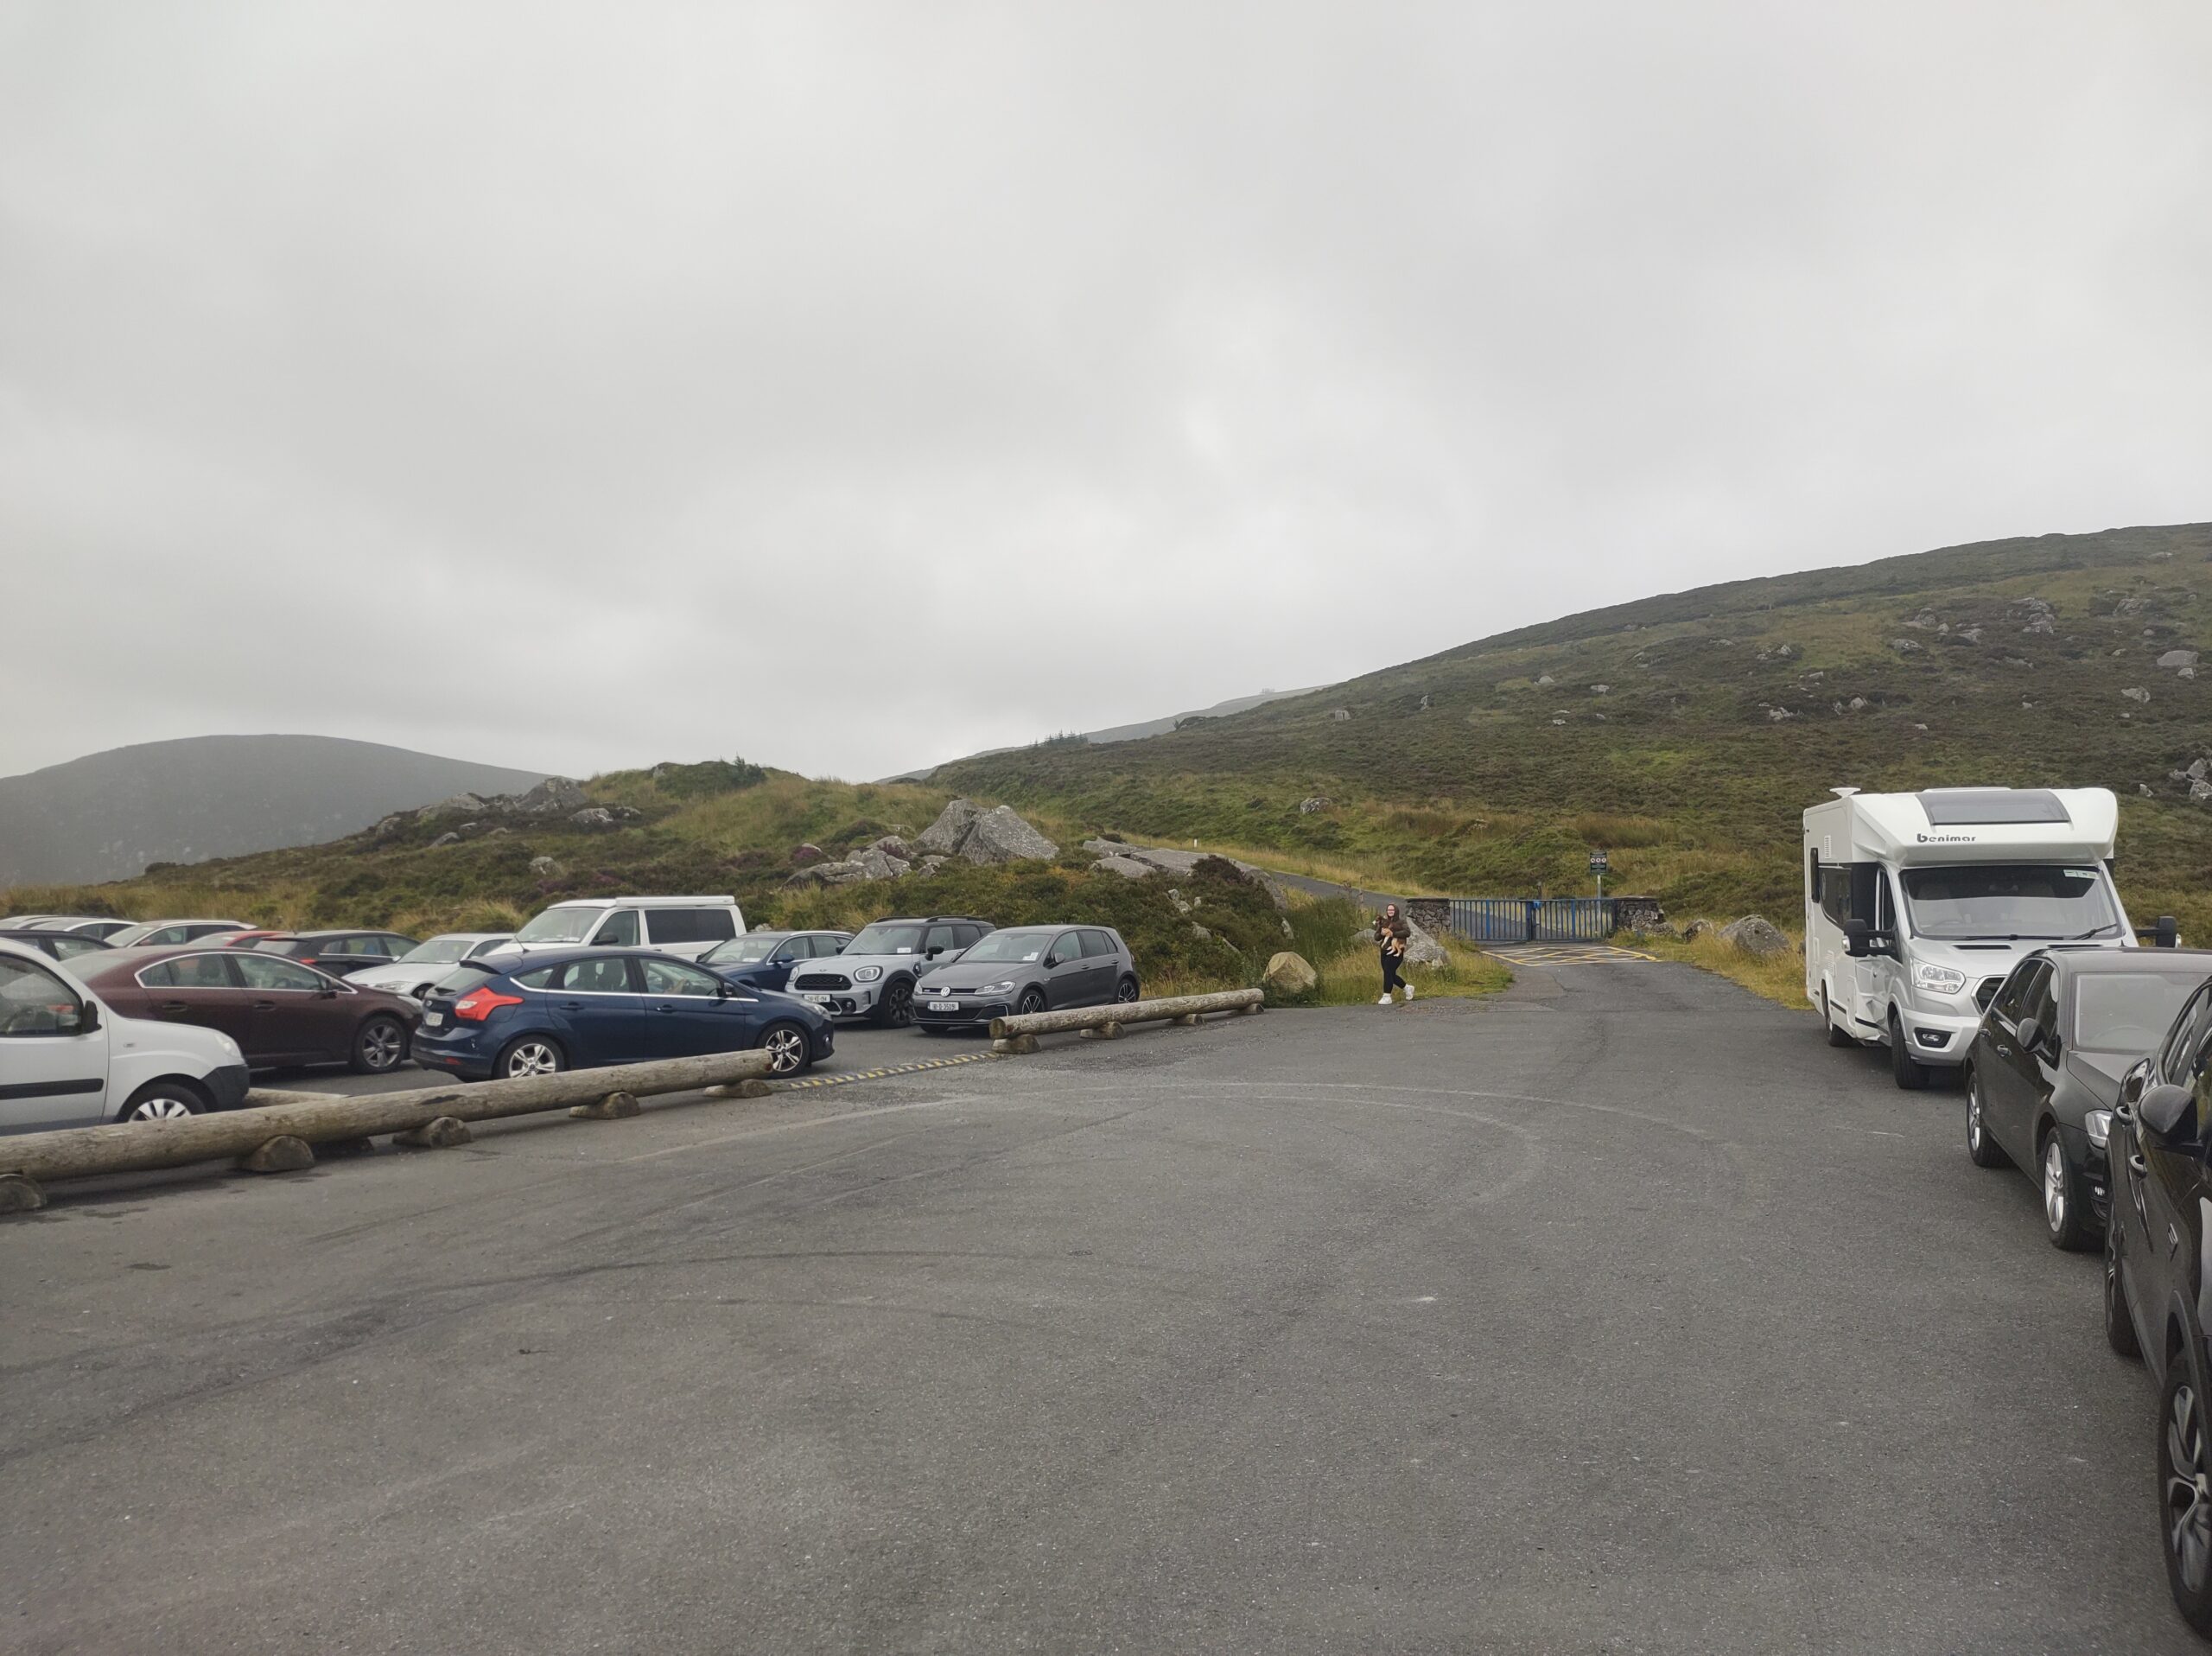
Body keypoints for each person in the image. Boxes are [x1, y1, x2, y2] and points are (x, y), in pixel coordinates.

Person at [1374, 903, 1413, 1005]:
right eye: (1389, 910)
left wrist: (1393, 934)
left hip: (1396, 951)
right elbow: (1376, 937)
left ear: (1396, 911)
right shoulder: (1383, 922)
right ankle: (1407, 988)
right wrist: (1381, 933)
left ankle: (1387, 996)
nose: (1390, 911)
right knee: (1390, 974)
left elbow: (1407, 932)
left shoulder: (1401, 922)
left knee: (1388, 971)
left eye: (1392, 910)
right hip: (1384, 951)